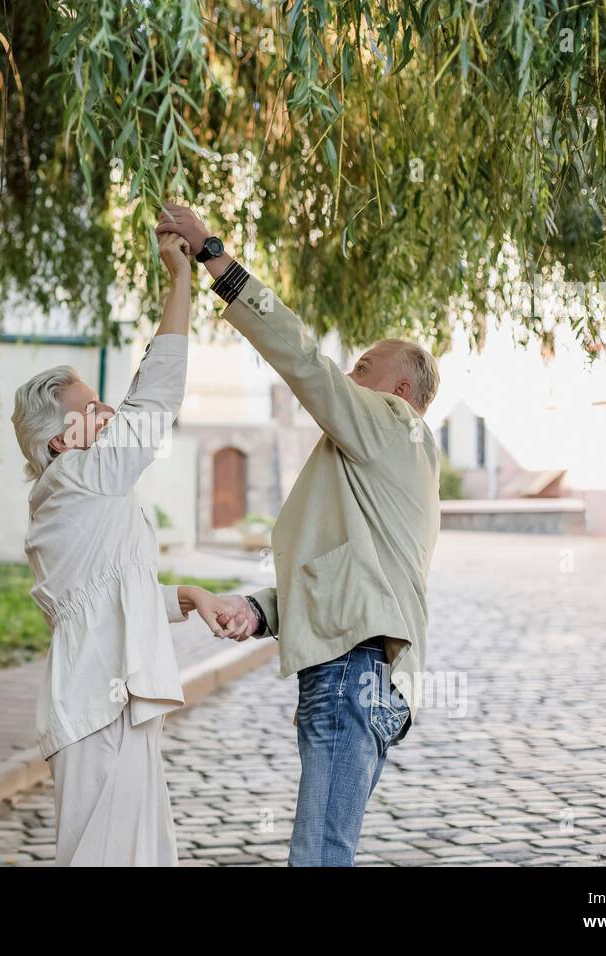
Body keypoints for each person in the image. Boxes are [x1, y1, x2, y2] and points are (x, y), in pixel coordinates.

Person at [157, 203, 442, 867]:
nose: (349, 376)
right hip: (368, 677)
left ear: (399, 388)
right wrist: (256, 610)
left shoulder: (389, 423)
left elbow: (304, 359)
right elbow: (344, 580)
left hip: (351, 675)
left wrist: (213, 257)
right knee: (321, 855)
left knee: (317, 858)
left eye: (364, 366)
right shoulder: (387, 462)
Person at [10, 232, 236, 866]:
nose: (109, 414)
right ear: (59, 441)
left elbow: (112, 592)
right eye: (92, 410)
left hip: (112, 700)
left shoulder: (84, 489)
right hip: (96, 704)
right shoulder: (78, 477)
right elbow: (154, 400)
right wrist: (181, 281)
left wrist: (186, 595)